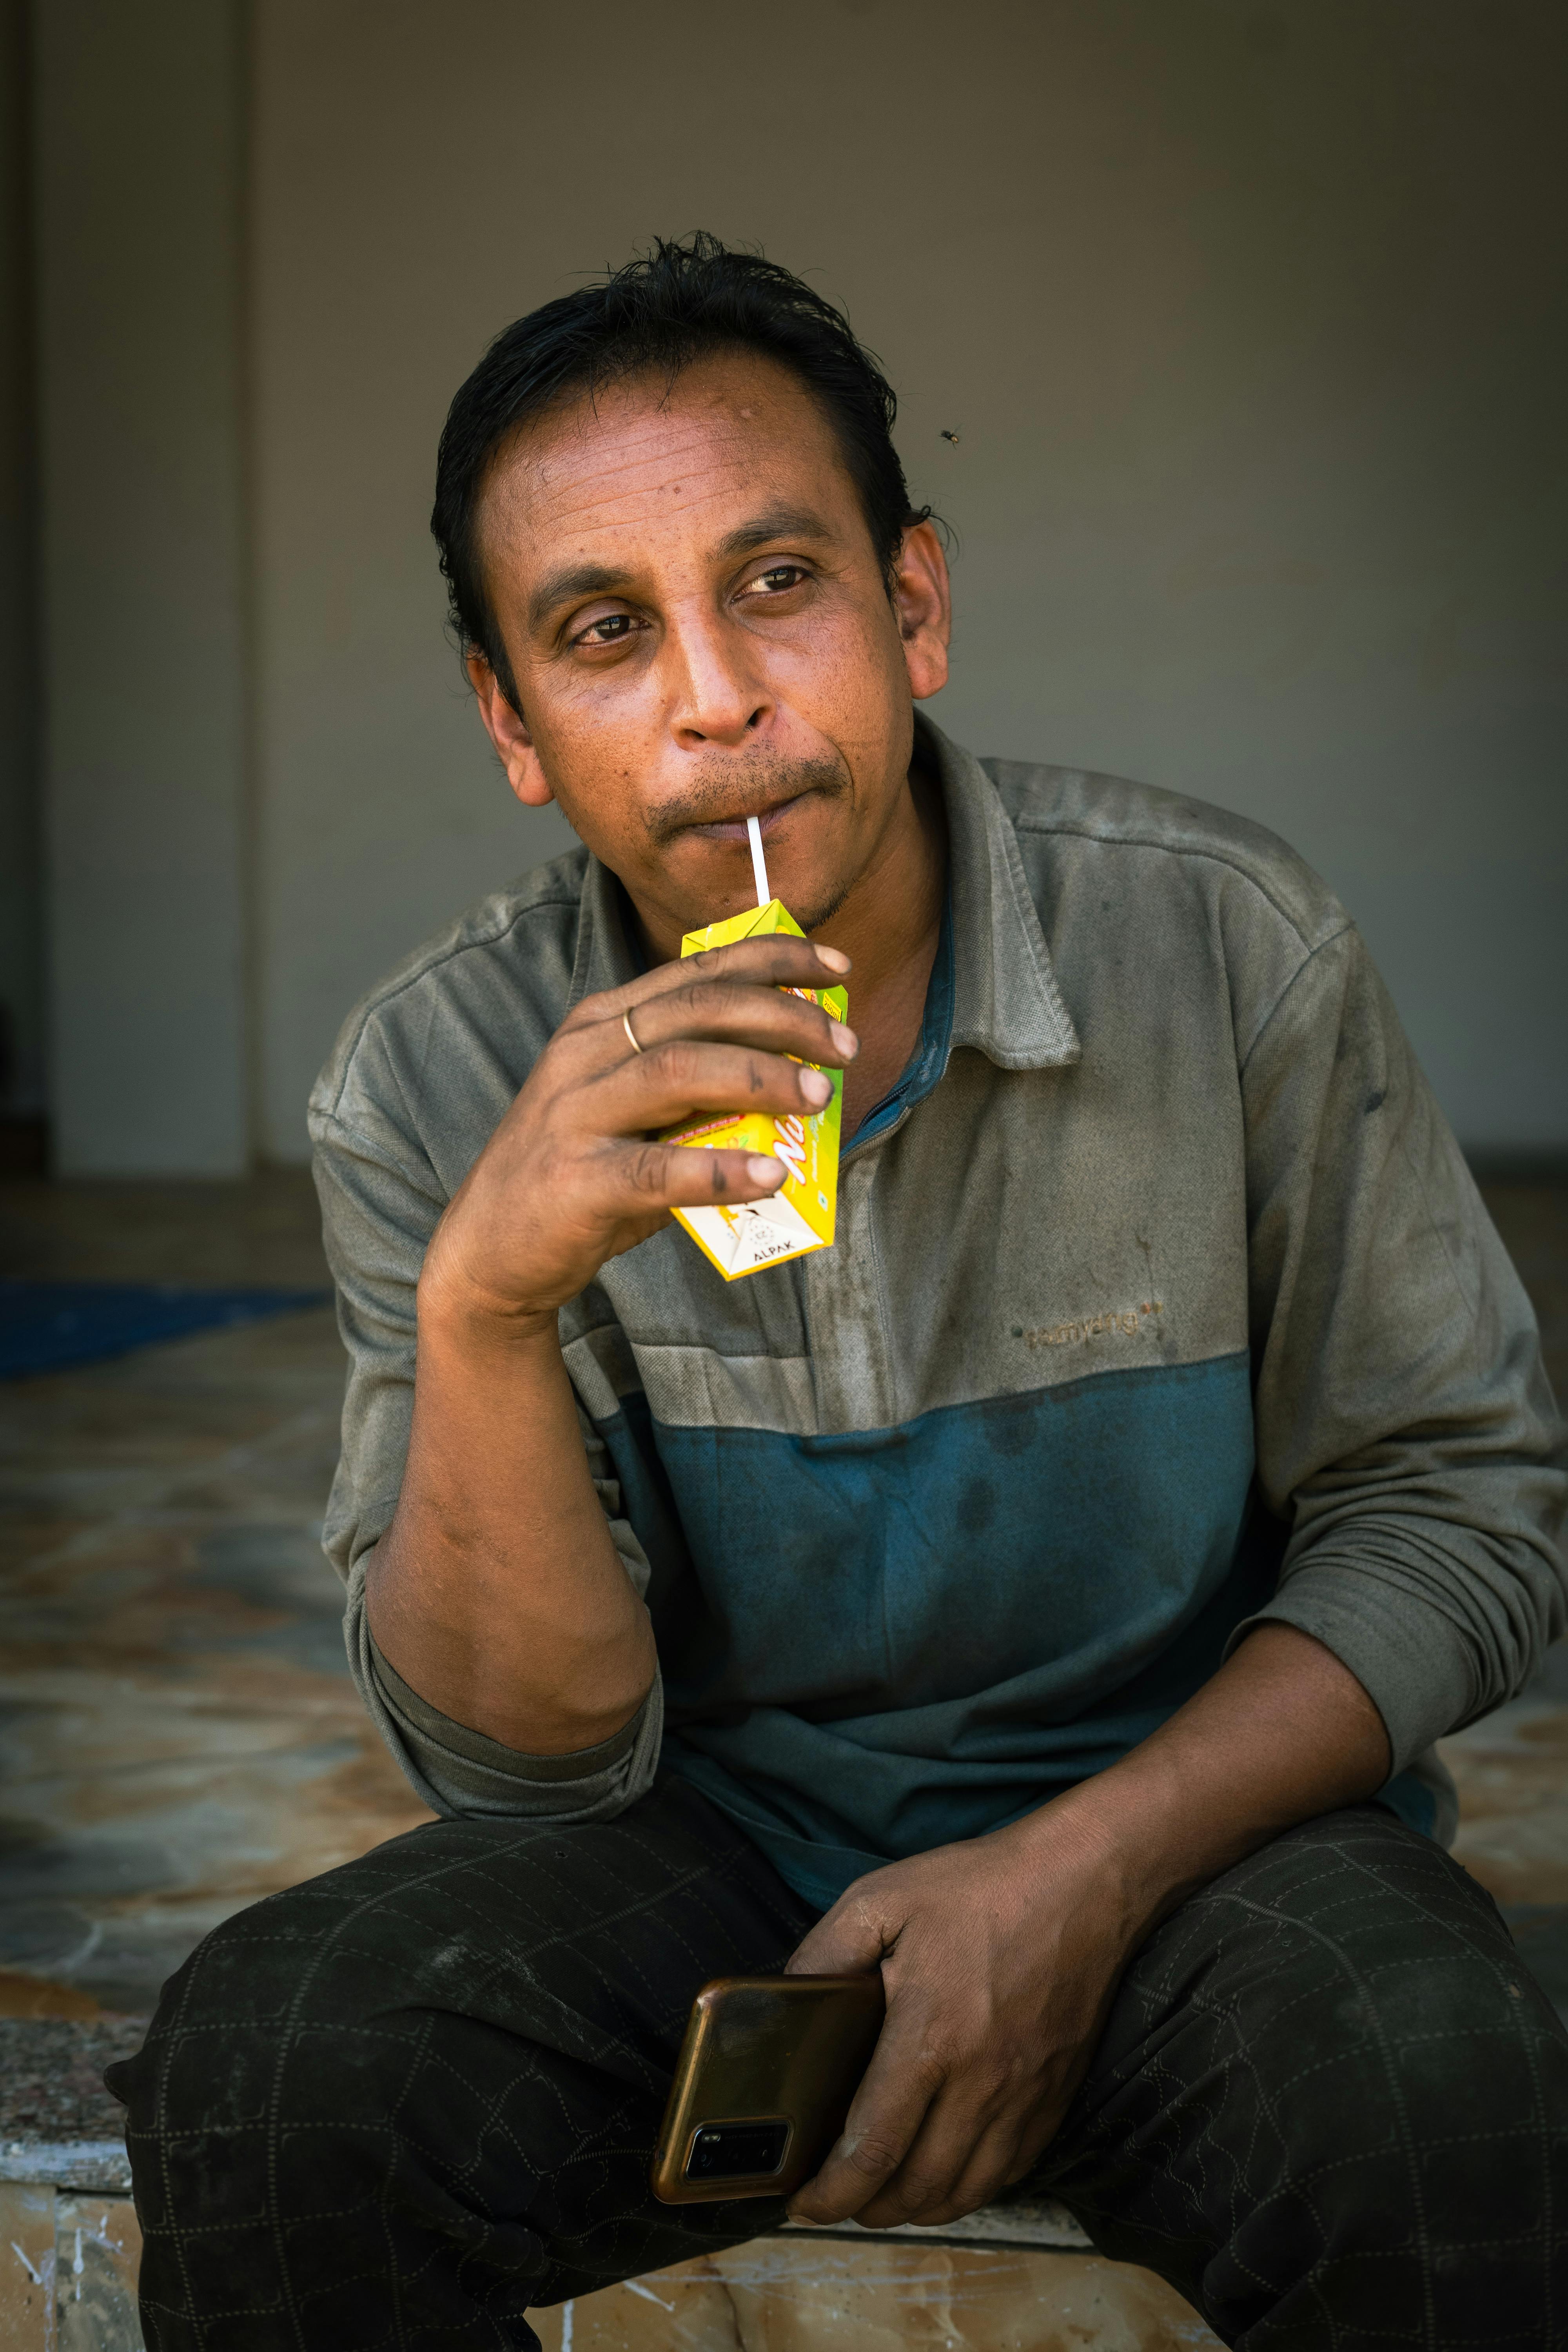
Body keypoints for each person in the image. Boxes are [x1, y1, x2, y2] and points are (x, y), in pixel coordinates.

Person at [111, 234, 1568, 2348]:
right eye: (605, 633)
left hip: (1205, 1853)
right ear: (516, 729)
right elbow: (522, 1775)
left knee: (1440, 2089)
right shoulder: (431, 1080)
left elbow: (1461, 1511)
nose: (715, 696)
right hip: (710, 1870)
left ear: (914, 608)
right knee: (281, 2067)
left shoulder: (1226, 949)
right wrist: (487, 1313)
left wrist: (1077, 1879)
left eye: (777, 585)